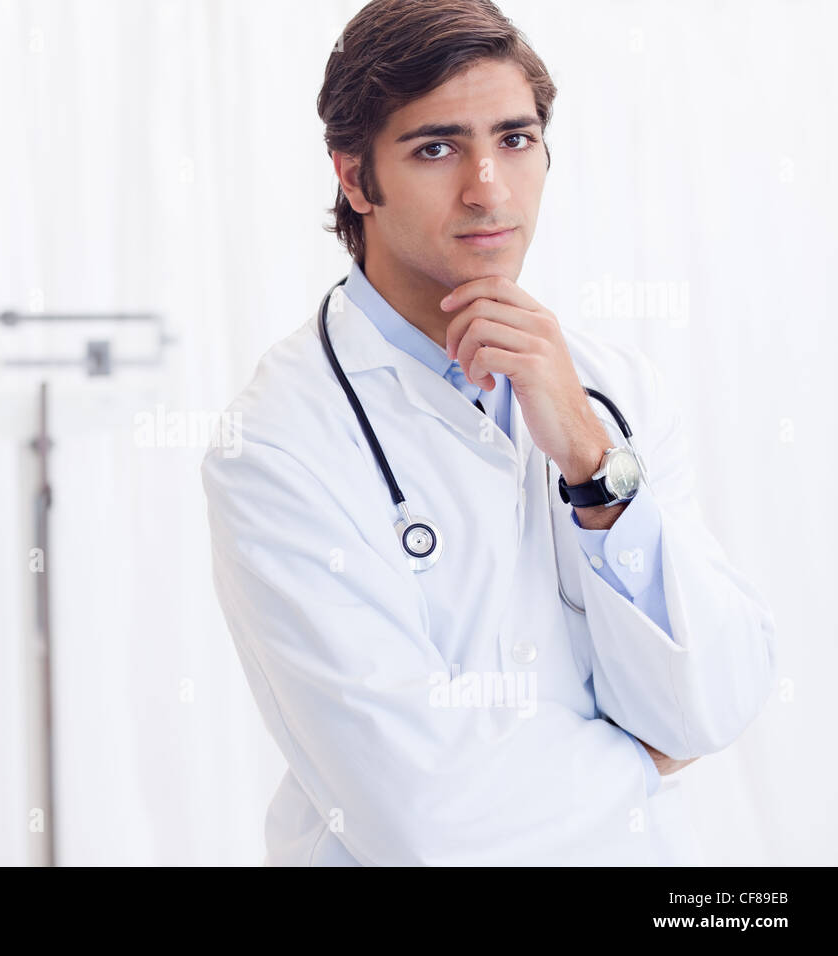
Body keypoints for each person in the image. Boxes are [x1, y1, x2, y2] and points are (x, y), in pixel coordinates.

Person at [200, 0, 776, 866]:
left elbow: (716, 699)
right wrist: (646, 766)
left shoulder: (612, 395)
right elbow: (425, 820)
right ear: (354, 177)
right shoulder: (278, 444)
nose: (487, 187)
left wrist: (590, 462)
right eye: (436, 148)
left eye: (514, 139)